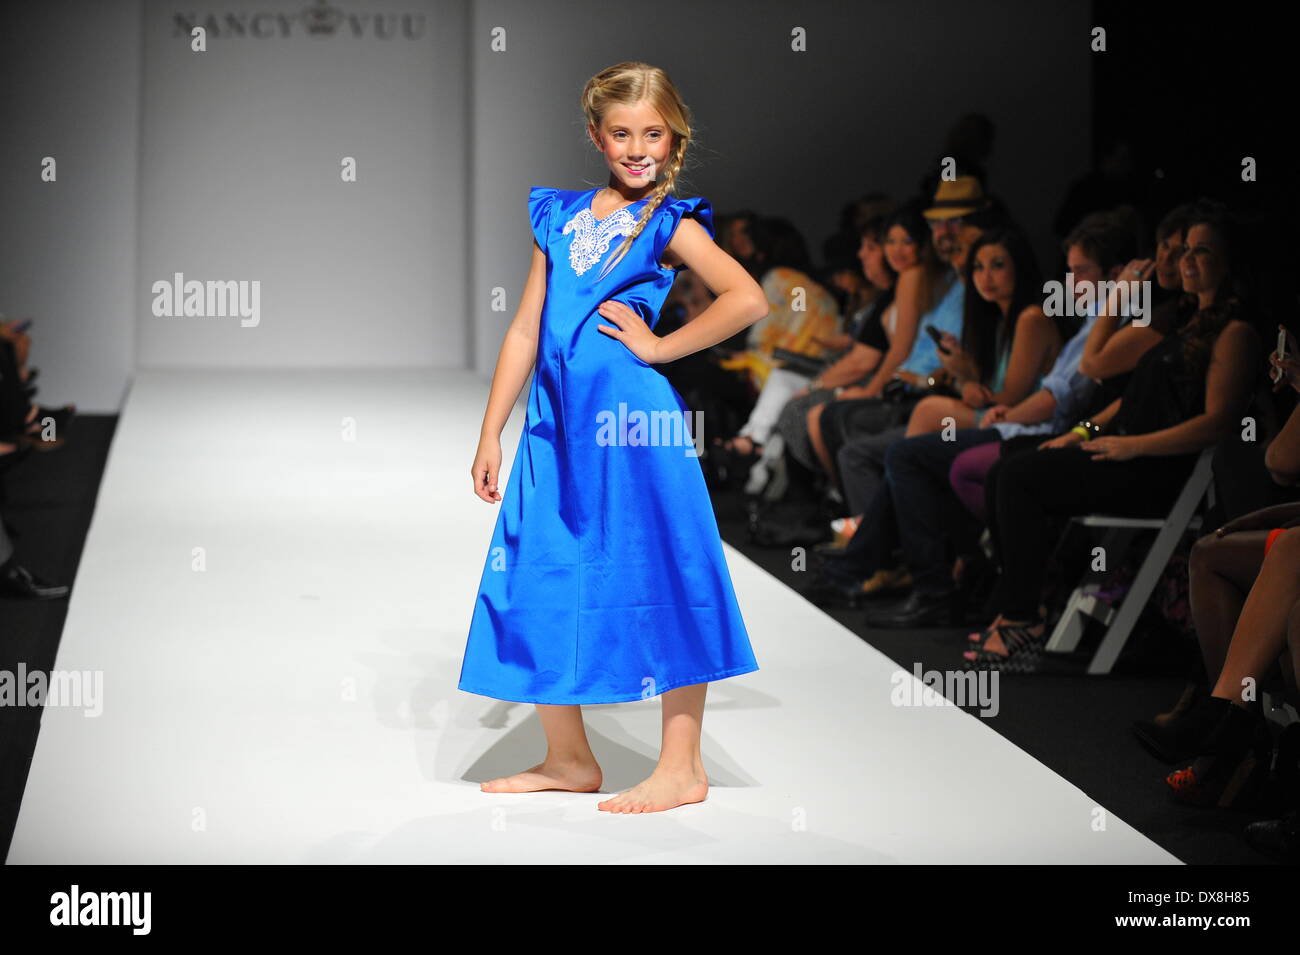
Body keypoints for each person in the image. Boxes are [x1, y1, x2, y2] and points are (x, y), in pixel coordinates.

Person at [459, 62, 767, 814]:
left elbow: (748, 296)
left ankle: (682, 766)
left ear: (674, 138)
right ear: (595, 135)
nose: (638, 148)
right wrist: (490, 430)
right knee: (536, 563)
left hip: (633, 424)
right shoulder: (556, 217)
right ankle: (568, 757)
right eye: (622, 133)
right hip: (554, 423)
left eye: (653, 133)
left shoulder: (670, 222)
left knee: (660, 567)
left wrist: (663, 348)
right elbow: (527, 325)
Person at [966, 199, 1263, 673]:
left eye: (1199, 252)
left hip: (1155, 469)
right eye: (1182, 250)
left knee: (1018, 476)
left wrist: (1132, 445)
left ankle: (1023, 619)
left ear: (1229, 261)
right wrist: (1082, 431)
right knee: (1010, 463)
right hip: (1126, 451)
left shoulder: (1235, 332)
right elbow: (1129, 401)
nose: (1184, 261)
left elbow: (1217, 423)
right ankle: (1016, 607)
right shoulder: (1185, 321)